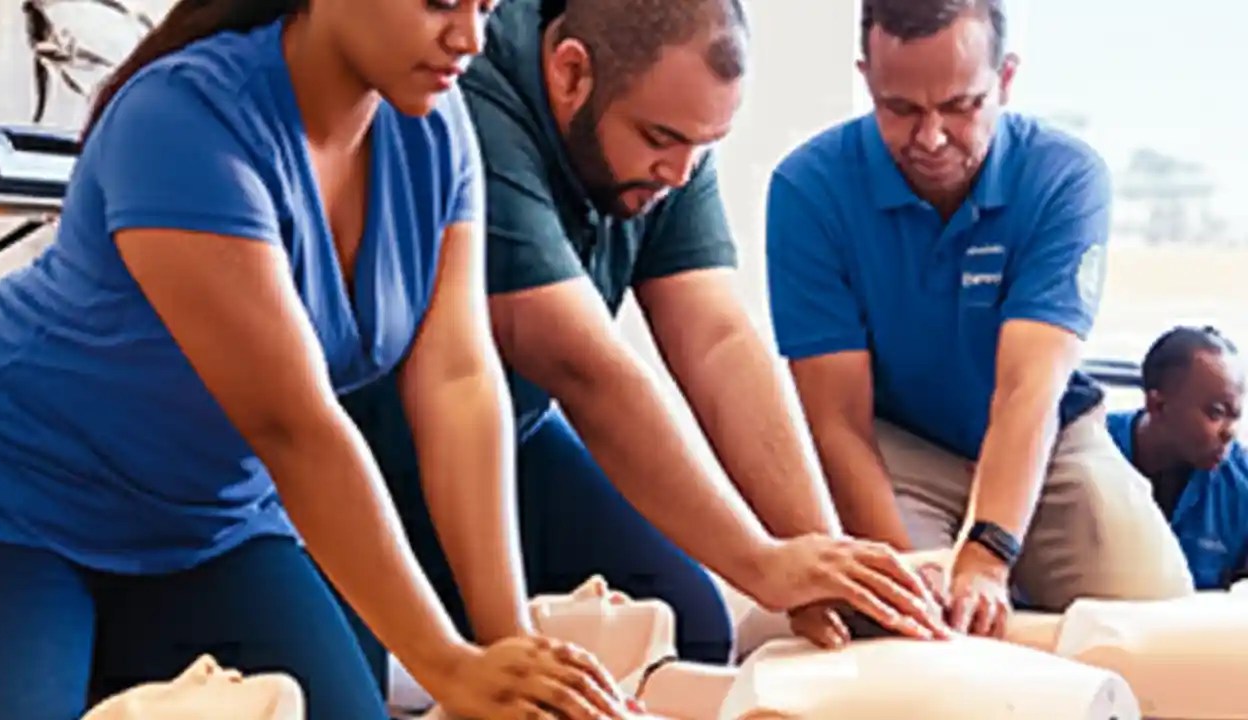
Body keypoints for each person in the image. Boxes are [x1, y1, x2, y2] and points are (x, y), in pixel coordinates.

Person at [0, 0, 638, 718]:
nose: (471, 38)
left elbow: (459, 380)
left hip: (209, 524)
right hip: (11, 493)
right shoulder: (181, 119)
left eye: (488, 5)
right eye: (441, 2)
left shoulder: (437, 128)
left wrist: (508, 641)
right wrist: (446, 662)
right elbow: (294, 427)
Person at [341, 0, 948, 671]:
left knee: (688, 627)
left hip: (509, 432)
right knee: (346, 688)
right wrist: (758, 562)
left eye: (702, 146)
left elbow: (717, 338)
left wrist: (825, 560)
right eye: (661, 140)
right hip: (360, 454)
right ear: (571, 73)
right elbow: (585, 369)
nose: (679, 174)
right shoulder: (474, 94)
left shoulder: (673, 140)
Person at [765, 0, 1195, 640]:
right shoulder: (809, 188)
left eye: (960, 106)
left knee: (1166, 629)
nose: (931, 138)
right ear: (867, 79)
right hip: (901, 444)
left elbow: (1028, 390)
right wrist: (905, 580)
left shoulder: (1063, 176)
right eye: (900, 109)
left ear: (1006, 79)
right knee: (899, 632)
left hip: (1051, 438)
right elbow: (839, 423)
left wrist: (989, 553)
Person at [1106, 326, 1248, 590]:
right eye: (1216, 413)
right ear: (1158, 406)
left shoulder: (1241, 485)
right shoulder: (1085, 453)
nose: (1229, 432)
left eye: (1235, 416)